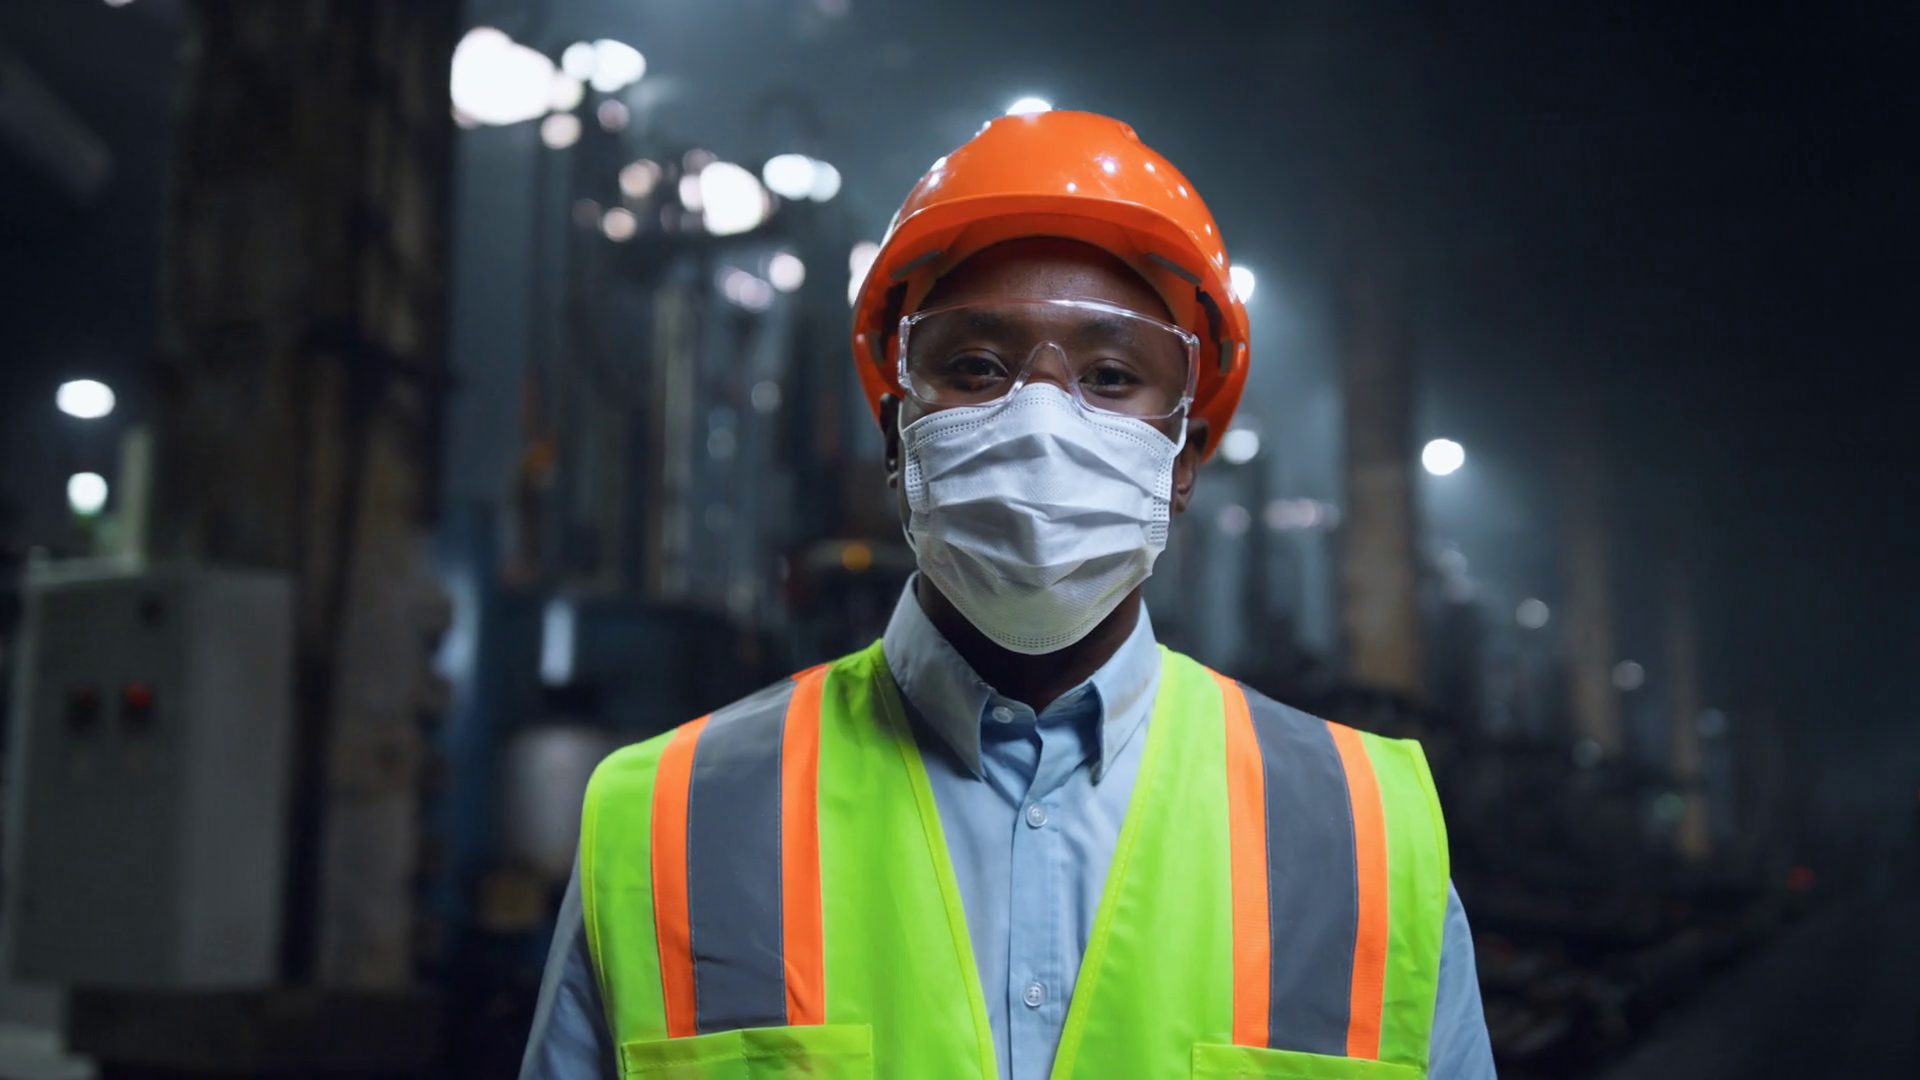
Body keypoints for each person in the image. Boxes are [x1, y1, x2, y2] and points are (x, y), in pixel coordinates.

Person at [521, 110, 1495, 1079]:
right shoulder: (673, 822)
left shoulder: (1366, 841)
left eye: (1111, 376)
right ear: (899, 432)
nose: (1040, 421)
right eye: (978, 368)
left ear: (1184, 454)